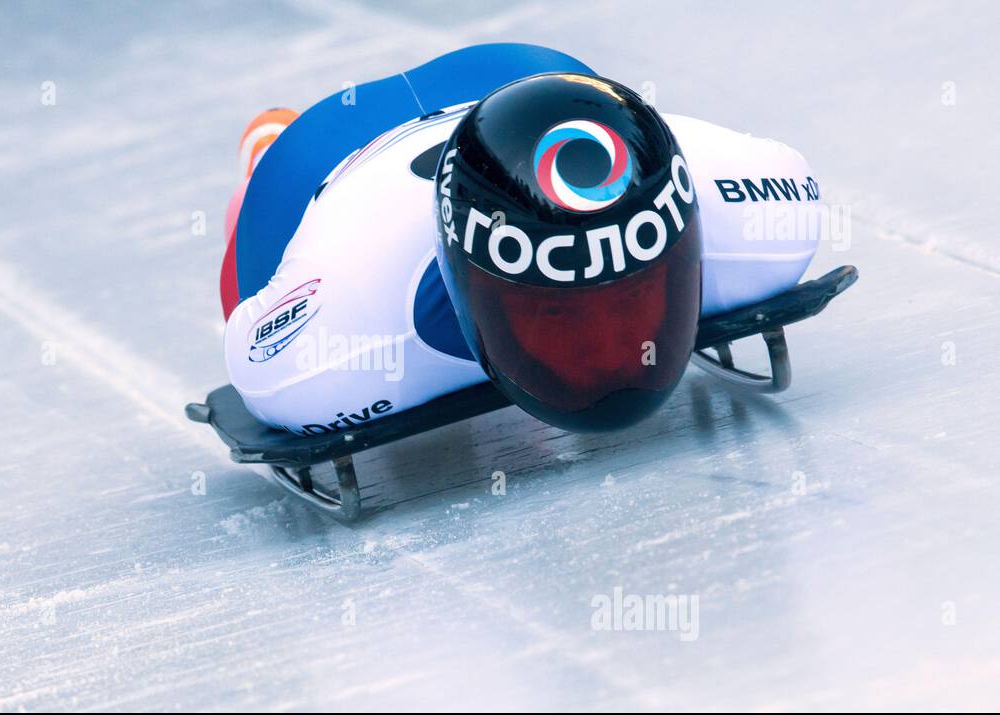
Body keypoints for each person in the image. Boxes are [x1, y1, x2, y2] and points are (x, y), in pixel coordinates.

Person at [219, 44, 821, 436]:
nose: (608, 347)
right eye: (552, 314)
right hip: (322, 156)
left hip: (526, 83)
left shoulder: (765, 221)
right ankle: (267, 149)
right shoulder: (329, 355)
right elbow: (249, 346)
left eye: (639, 296)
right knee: (249, 246)